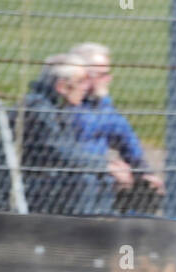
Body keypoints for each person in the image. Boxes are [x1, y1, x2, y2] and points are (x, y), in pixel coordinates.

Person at [71, 42, 165, 213]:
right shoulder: (68, 105)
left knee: (147, 188)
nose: (108, 79)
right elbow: (73, 146)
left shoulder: (101, 103)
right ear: (83, 75)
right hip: (78, 174)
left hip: (102, 173)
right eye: (102, 74)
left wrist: (143, 170)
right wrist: (106, 165)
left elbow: (125, 136)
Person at [17, 54, 113, 215]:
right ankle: (80, 230)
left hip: (47, 179)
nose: (86, 87)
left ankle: (100, 225)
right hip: (29, 183)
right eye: (81, 81)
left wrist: (105, 166)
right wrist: (105, 165)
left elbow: (70, 151)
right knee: (84, 180)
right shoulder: (39, 109)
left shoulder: (58, 108)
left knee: (104, 178)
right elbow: (61, 154)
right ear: (62, 87)